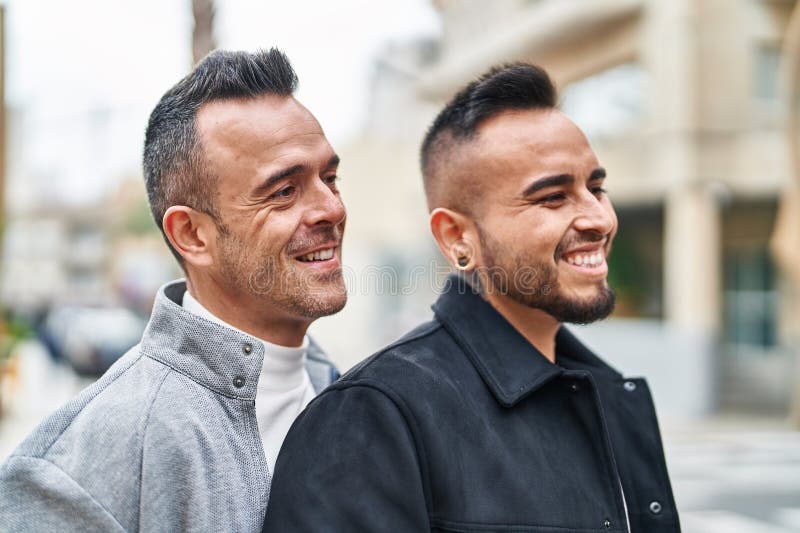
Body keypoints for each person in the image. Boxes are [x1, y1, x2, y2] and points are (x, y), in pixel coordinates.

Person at [263, 63, 680, 533]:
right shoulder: (373, 418)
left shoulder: (609, 393)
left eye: (597, 189)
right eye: (553, 197)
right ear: (456, 236)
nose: (600, 219)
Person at [0, 49, 346, 532]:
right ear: (191, 235)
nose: (332, 208)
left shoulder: (350, 396)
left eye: (330, 178)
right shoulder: (80, 471)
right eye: (284, 191)